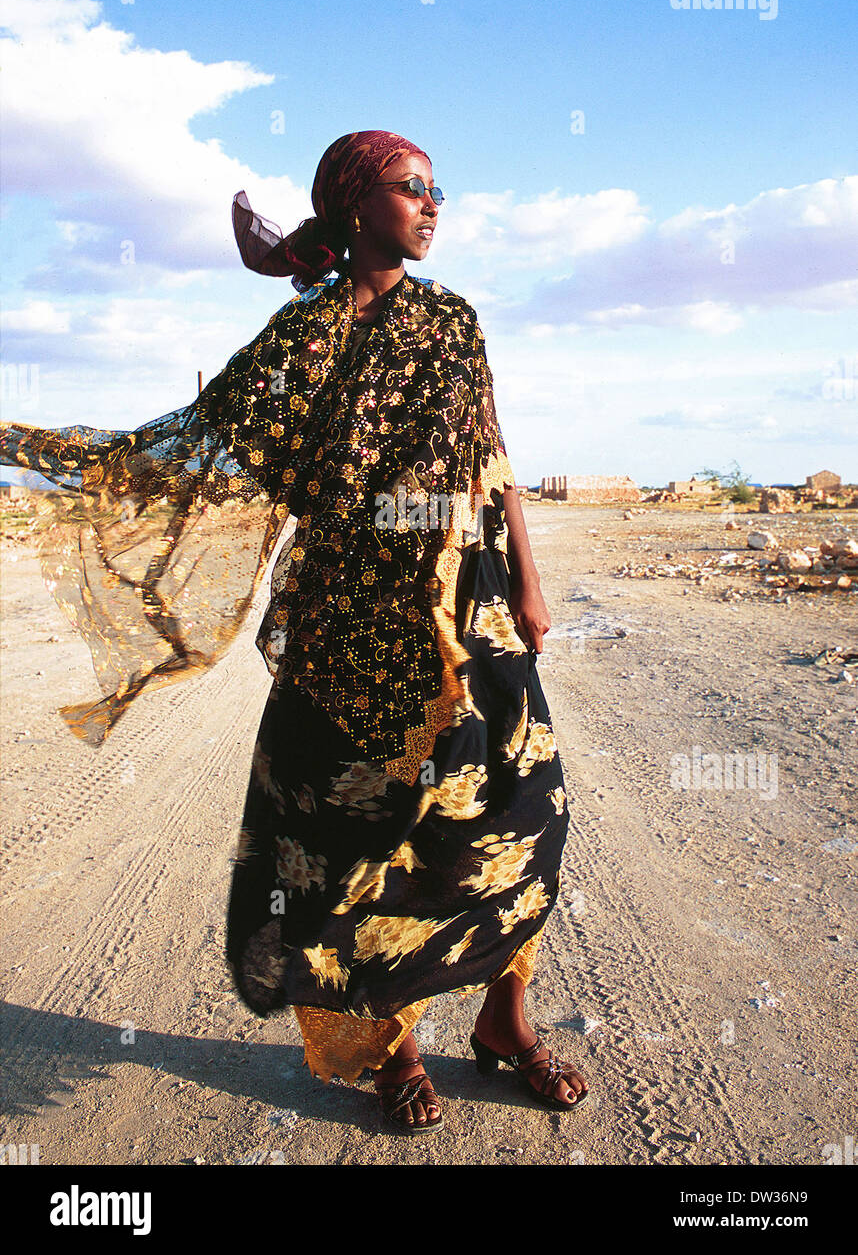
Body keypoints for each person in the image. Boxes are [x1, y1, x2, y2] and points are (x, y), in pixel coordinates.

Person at [0, 130, 589, 1134]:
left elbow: (494, 457)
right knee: (363, 840)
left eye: (440, 188)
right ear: (359, 205)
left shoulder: (454, 321)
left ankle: (505, 1021)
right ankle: (394, 1043)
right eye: (415, 189)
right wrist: (42, 452)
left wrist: (528, 582)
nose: (436, 204)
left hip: (469, 599)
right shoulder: (302, 339)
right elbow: (200, 448)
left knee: (521, 817)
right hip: (352, 624)